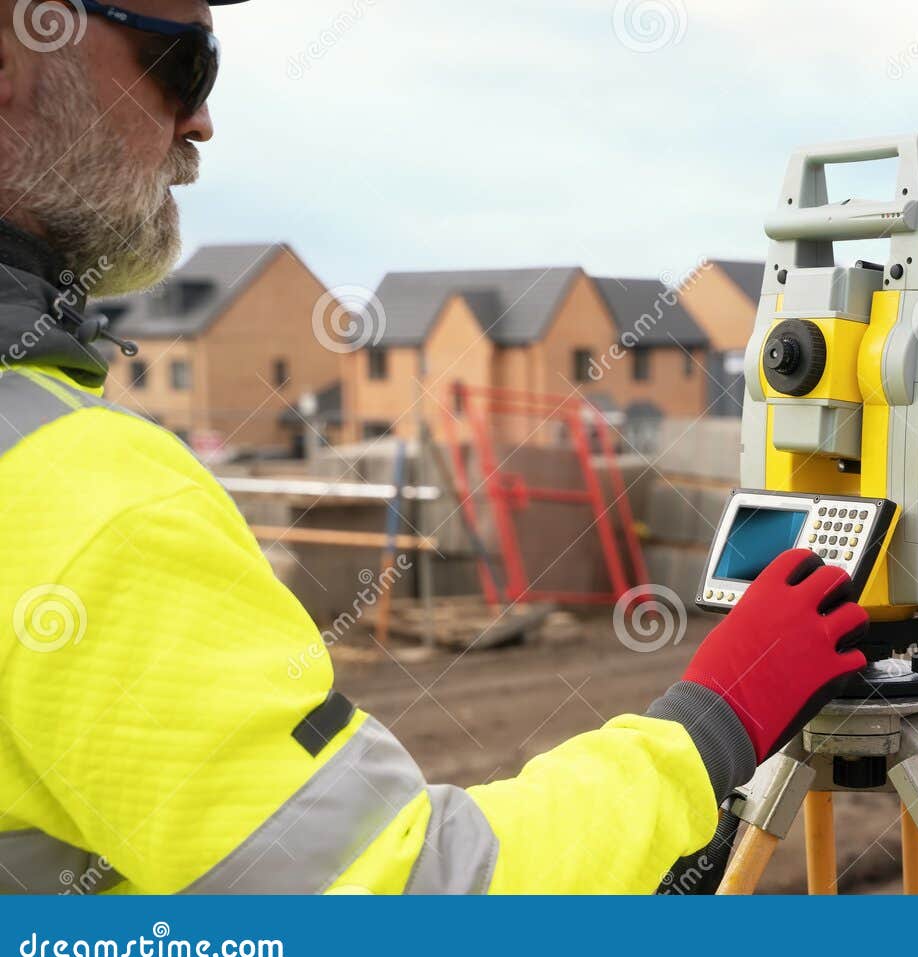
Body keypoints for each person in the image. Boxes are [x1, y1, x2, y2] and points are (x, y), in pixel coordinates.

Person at [0, 0, 868, 894]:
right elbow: (413, 901)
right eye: (181, 60)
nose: (201, 120)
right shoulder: (80, 499)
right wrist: (713, 722)